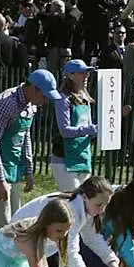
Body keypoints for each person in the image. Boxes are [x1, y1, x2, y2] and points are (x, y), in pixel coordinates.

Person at [0, 69, 64, 227]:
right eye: (44, 96)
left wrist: (28, 170)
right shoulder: (4, 104)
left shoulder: (31, 105)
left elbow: (25, 136)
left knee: (15, 220)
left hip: (13, 166)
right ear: (32, 88)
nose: (44, 102)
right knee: (0, 222)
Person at [48, 60, 96, 192]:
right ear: (70, 75)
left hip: (83, 157)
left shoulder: (85, 98)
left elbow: (88, 125)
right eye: (81, 73)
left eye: (87, 73)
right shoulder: (63, 99)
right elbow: (64, 130)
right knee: (71, 201)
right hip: (64, 160)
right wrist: (90, 129)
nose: (86, 76)